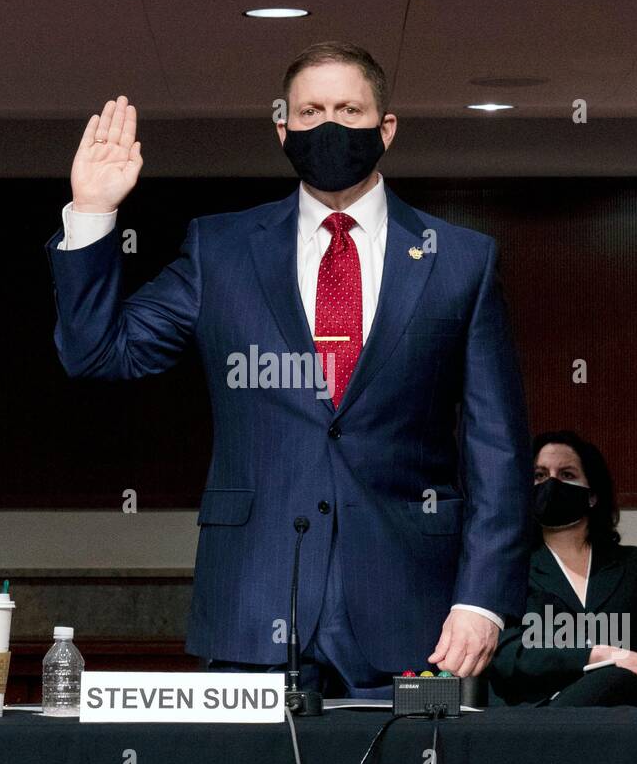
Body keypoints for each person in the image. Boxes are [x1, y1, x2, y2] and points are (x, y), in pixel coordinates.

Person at [47, 42, 532, 697]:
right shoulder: (219, 250)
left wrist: (482, 601)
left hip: (413, 614)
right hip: (254, 599)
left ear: (385, 128)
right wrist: (94, 212)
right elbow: (101, 353)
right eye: (310, 111)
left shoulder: (460, 261)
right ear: (283, 128)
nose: (329, 125)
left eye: (348, 109)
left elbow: (497, 450)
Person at [489, 431, 637, 706]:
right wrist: (598, 657)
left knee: (617, 682)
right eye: (539, 475)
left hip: (629, 713)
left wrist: (633, 672)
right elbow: (506, 656)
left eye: (566, 475)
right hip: (543, 716)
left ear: (593, 495)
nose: (551, 484)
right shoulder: (509, 570)